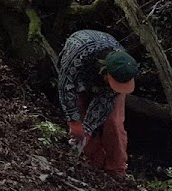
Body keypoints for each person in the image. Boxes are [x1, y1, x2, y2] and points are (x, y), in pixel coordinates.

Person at [57, 29, 139, 177]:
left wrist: (87, 130)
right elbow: (65, 86)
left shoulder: (123, 69)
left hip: (100, 76)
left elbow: (103, 104)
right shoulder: (77, 56)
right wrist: (74, 122)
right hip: (80, 75)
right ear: (105, 71)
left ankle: (117, 170)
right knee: (80, 114)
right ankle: (93, 163)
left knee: (114, 122)